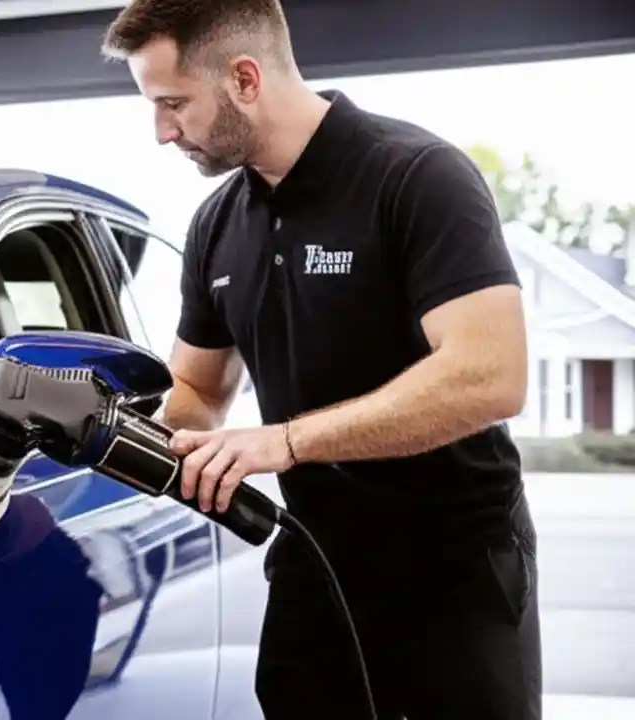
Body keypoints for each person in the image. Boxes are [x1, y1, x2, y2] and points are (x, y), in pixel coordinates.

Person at [101, 2, 541, 719]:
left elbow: (491, 374)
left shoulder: (417, 177)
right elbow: (196, 387)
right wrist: (132, 440)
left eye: (173, 104)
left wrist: (288, 440)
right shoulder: (217, 224)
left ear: (244, 78)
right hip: (317, 561)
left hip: (454, 564)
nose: (162, 132)